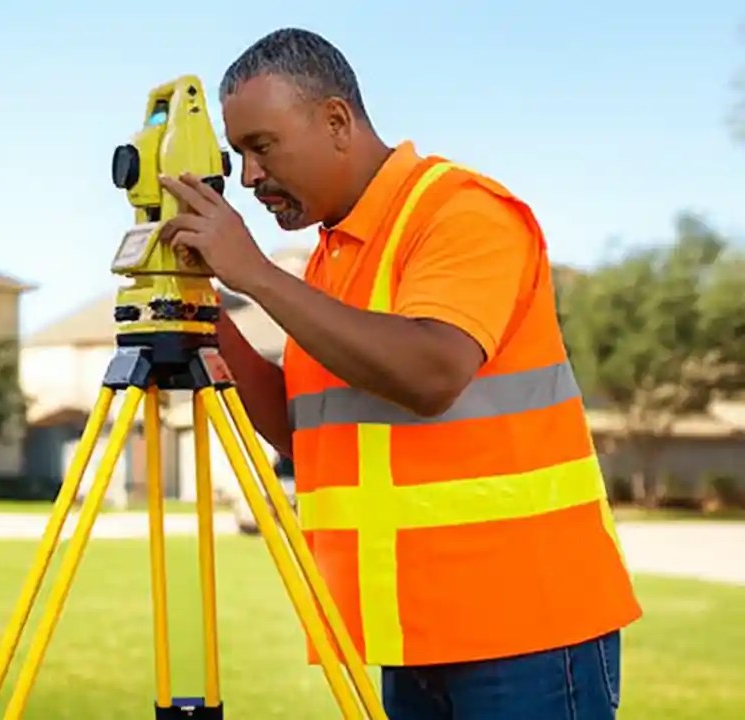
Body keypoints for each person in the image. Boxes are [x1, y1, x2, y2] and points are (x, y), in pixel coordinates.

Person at [156, 27, 642, 720]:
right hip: (415, 636)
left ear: (336, 121)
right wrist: (202, 308)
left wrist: (256, 275)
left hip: (528, 630)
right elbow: (306, 431)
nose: (250, 177)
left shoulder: (461, 213)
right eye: (238, 157)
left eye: (261, 147)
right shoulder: (335, 255)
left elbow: (432, 372)